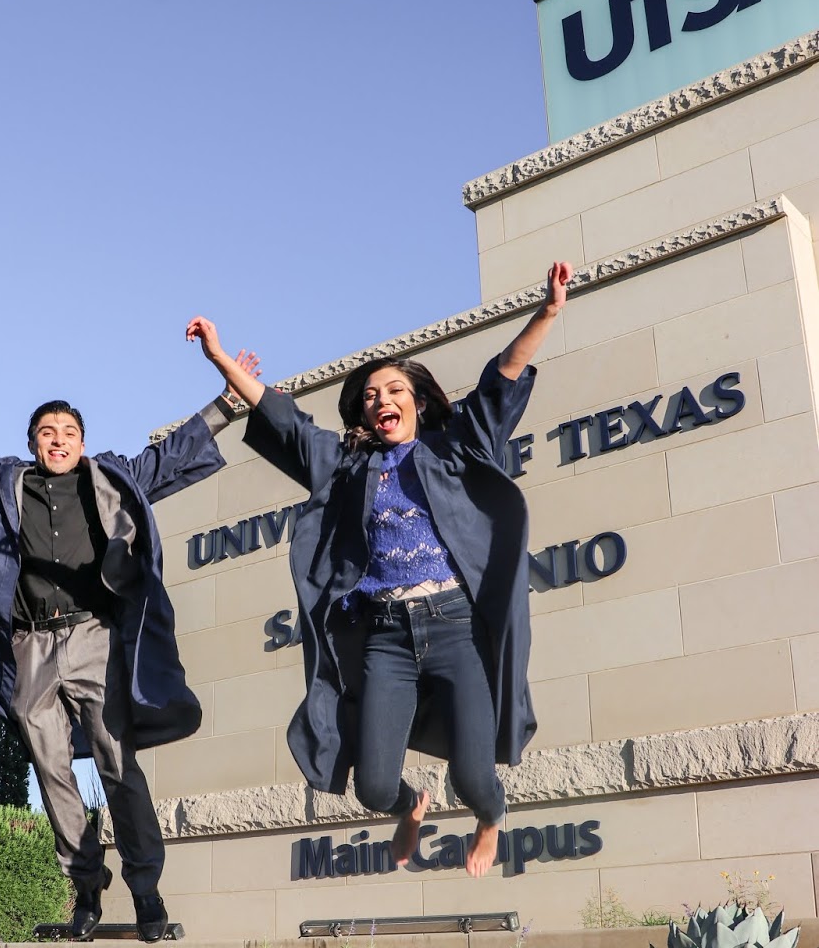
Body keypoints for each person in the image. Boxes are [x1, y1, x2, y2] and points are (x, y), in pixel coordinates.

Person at [186, 261, 572, 877]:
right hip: (386, 638)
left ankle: (490, 818)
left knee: (474, 778)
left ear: (417, 401)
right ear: (363, 415)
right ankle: (411, 806)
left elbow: (500, 380)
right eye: (370, 396)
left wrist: (546, 313)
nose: (381, 401)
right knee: (371, 787)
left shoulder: (453, 447)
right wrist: (220, 359)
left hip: (456, 629)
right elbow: (285, 422)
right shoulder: (345, 465)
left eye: (393, 391)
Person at [0, 341, 256, 940]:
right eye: (47, 432)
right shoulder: (2, 484)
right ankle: (86, 888)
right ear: (32, 443)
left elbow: (172, 455)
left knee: (116, 761)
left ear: (81, 441)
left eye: (68, 432)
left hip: (94, 639)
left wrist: (227, 402)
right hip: (31, 646)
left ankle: (146, 890)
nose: (58, 440)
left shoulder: (109, 479)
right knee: (51, 769)